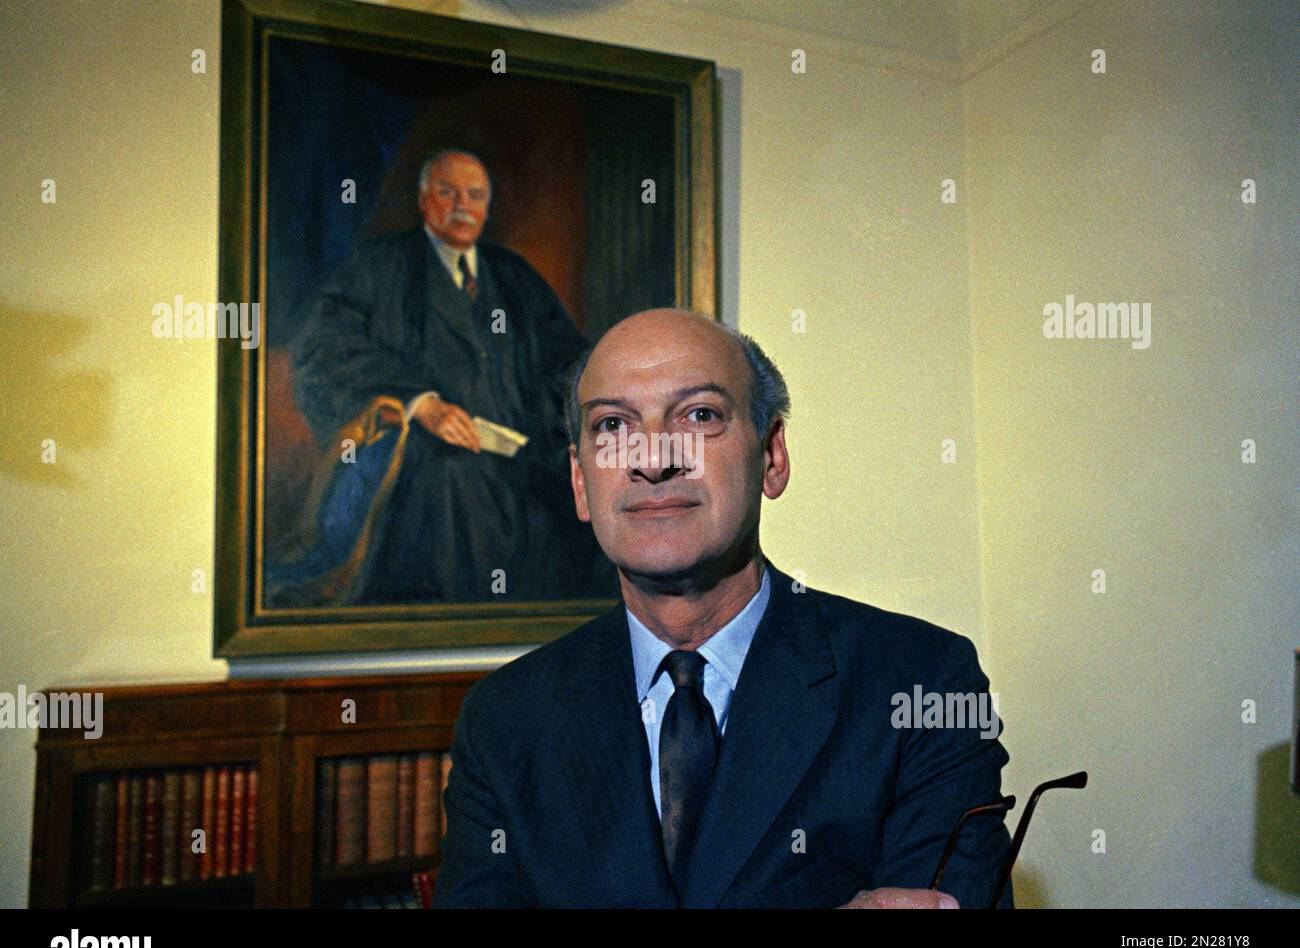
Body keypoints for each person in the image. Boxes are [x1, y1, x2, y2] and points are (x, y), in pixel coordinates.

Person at [432, 307, 1014, 908]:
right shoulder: (505, 720)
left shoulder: (923, 683)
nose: (653, 459)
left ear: (772, 456)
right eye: (612, 424)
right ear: (582, 482)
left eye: (700, 415)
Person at [284, 148, 616, 604]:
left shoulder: (514, 276)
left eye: (475, 194)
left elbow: (568, 362)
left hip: (526, 448)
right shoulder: (378, 266)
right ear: (423, 201)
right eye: (447, 191)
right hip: (427, 455)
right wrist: (420, 403)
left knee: (589, 491)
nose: (462, 204)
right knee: (458, 487)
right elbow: (324, 350)